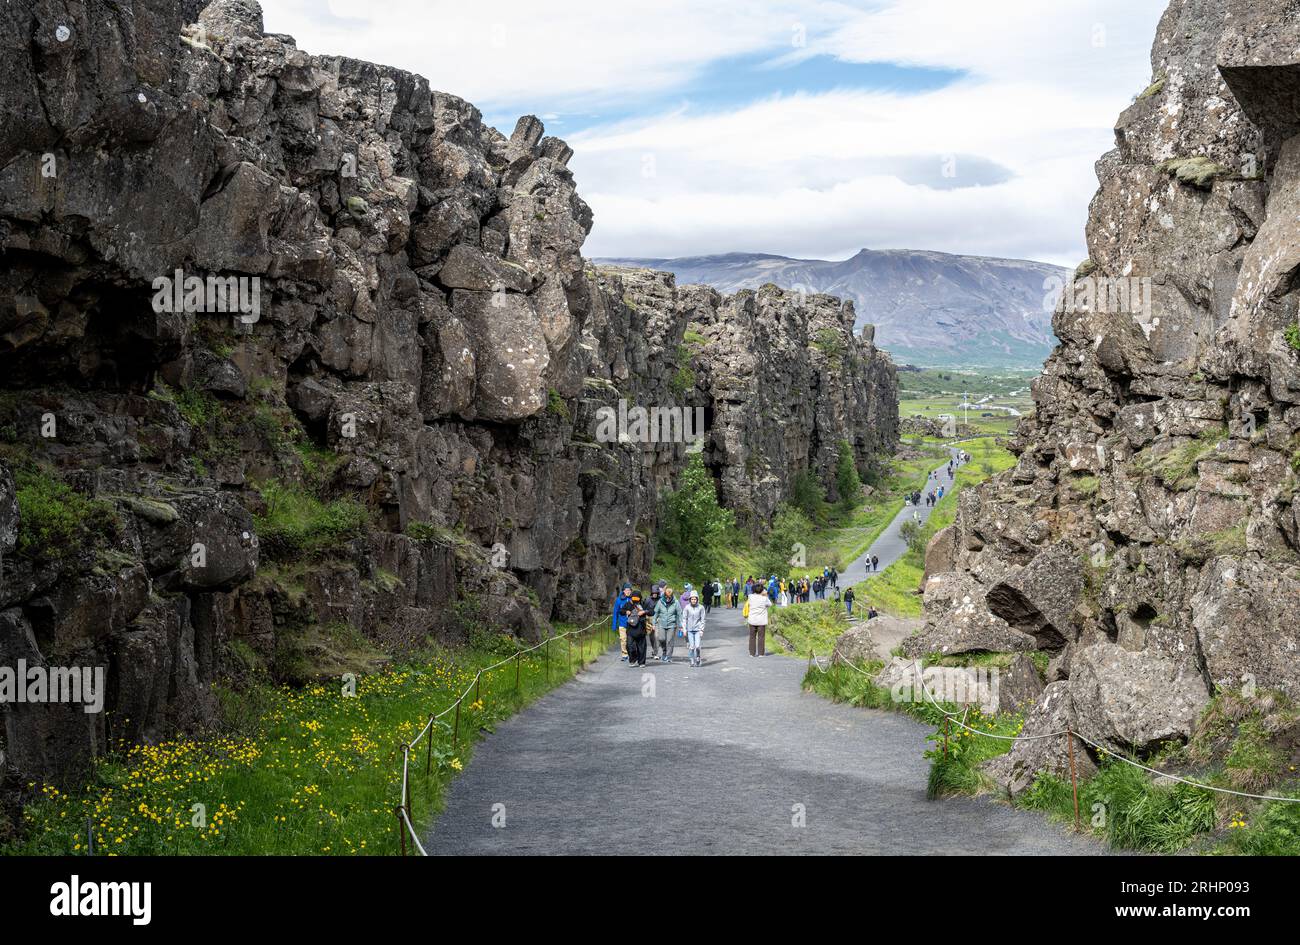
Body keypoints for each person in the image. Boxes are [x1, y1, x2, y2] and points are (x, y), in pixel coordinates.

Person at [653, 586, 681, 663]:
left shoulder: (676, 602)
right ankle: (664, 651)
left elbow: (679, 614)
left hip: (672, 624)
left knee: (669, 641)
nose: (668, 598)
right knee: (661, 639)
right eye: (666, 596)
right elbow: (656, 613)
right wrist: (653, 623)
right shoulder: (660, 602)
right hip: (661, 624)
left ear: (672, 596)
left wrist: (681, 625)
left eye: (669, 597)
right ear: (664, 595)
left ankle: (668, 656)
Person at [623, 590, 649, 667]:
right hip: (630, 629)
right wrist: (626, 611)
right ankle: (633, 660)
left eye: (637, 598)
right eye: (633, 598)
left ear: (640, 598)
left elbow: (652, 611)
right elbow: (621, 611)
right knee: (629, 646)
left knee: (642, 647)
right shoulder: (628, 604)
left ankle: (641, 662)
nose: (635, 600)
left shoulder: (643, 604)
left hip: (641, 628)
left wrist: (644, 612)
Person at [745, 582, 770, 657]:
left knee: (752, 636)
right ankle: (761, 653)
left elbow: (749, 603)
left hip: (752, 620)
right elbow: (770, 604)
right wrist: (765, 595)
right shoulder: (764, 599)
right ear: (762, 590)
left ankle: (752, 653)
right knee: (761, 637)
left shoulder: (750, 597)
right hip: (761, 621)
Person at [682, 591, 706, 667]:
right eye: (692, 599)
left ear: (697, 599)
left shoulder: (701, 607)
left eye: (695, 599)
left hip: (698, 630)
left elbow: (703, 619)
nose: (693, 600)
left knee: (698, 646)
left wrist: (702, 630)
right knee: (692, 646)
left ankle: (698, 657)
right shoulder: (687, 607)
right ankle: (692, 659)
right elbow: (684, 619)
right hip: (689, 630)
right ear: (690, 599)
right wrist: (684, 629)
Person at [612, 582, 632, 662]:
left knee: (630, 640)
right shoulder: (618, 600)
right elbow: (615, 612)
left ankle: (631, 654)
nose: (628, 591)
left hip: (632, 624)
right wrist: (614, 624)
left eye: (629, 590)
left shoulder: (633, 599)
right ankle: (624, 654)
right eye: (626, 590)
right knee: (623, 639)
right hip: (622, 623)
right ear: (623, 591)